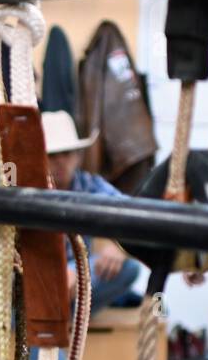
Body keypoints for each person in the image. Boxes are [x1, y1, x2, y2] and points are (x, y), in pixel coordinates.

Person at [41, 110, 143, 310]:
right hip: (38, 280)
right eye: (52, 155)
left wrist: (121, 247)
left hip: (77, 280)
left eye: (66, 153)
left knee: (129, 268)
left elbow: (135, 215)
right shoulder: (27, 190)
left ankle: (62, 321)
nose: (60, 161)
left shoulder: (90, 186)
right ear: (40, 158)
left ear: (77, 157)